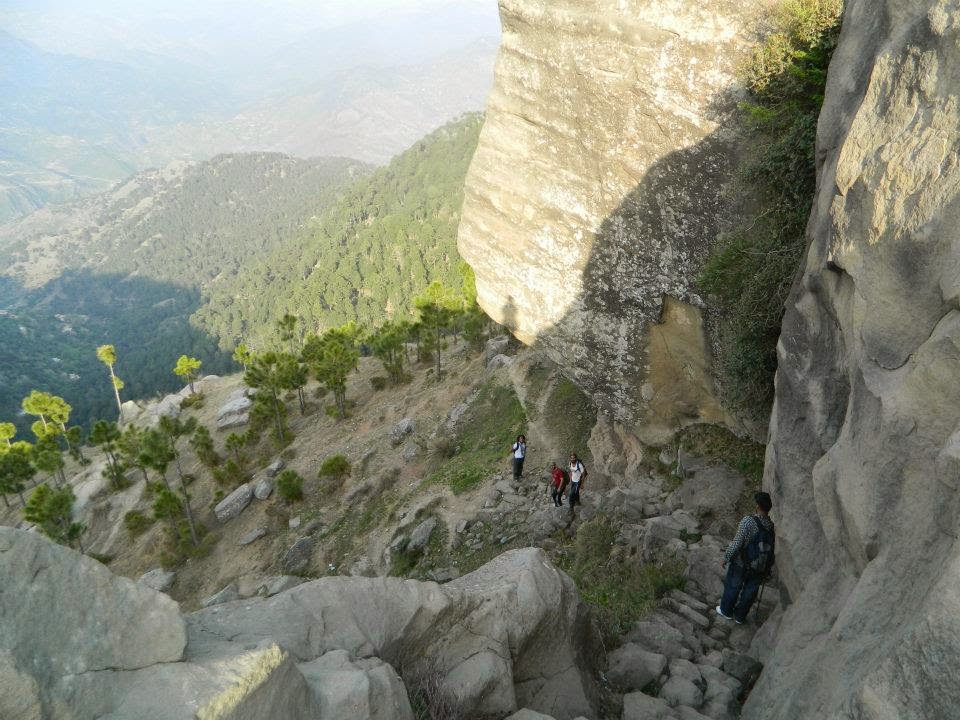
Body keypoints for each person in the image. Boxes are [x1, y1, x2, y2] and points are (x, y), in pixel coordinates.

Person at [716, 491, 776, 624]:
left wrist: (727, 557)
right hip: (759, 566)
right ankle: (740, 616)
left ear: (758, 506)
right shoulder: (771, 527)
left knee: (733, 586)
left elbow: (737, 543)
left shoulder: (748, 521)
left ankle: (726, 611)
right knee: (750, 592)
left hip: (741, 562)